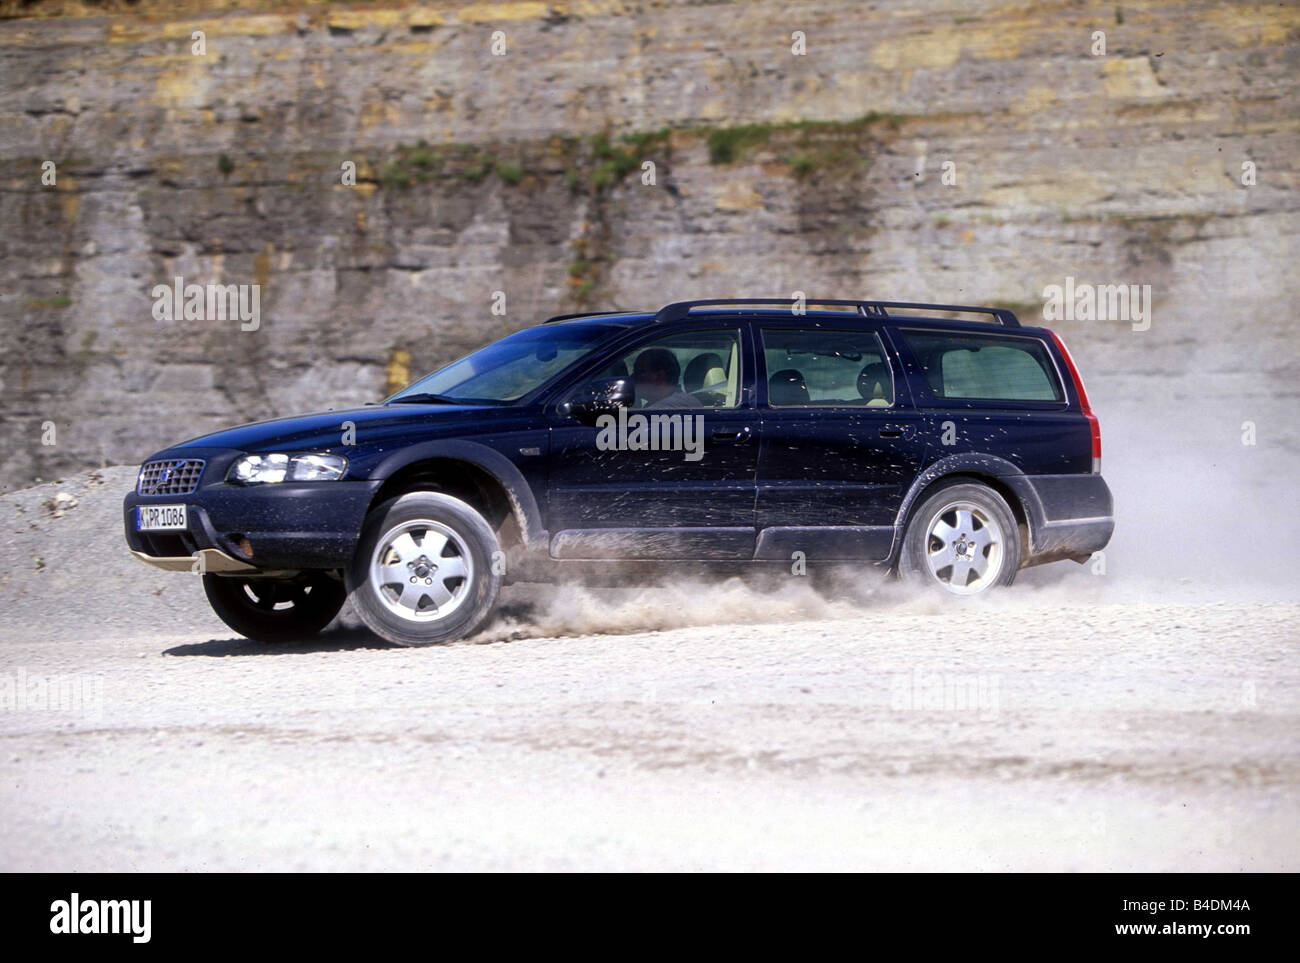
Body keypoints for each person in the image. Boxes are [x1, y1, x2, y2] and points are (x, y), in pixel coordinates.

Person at [632, 348, 699, 409]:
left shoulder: (665, 408)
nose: (633, 377)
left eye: (640, 371)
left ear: (659, 377)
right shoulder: (684, 400)